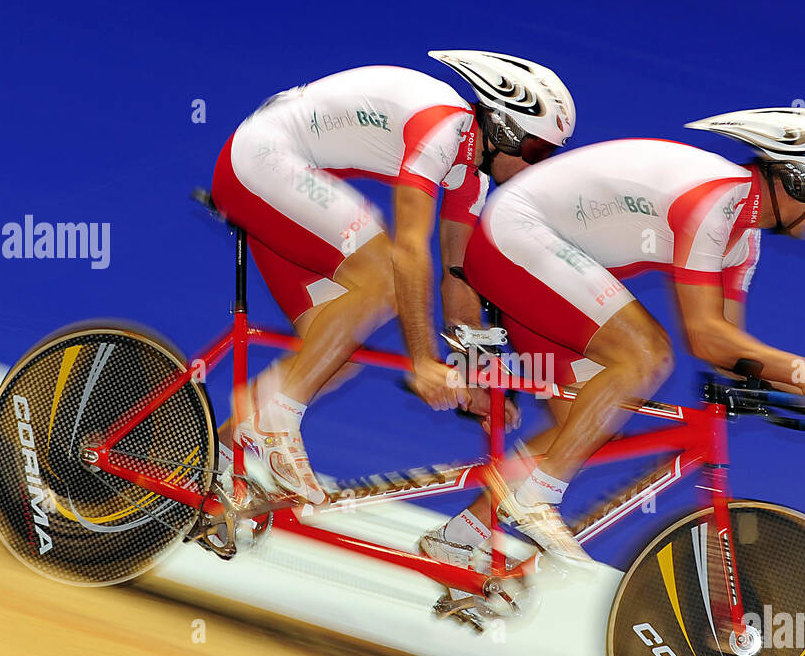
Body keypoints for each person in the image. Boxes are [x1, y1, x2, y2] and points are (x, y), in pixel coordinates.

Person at [420, 107, 805, 569]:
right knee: (647, 353)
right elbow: (704, 337)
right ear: (796, 181)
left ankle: (460, 537)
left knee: (587, 420)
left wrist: (802, 390)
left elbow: (727, 347)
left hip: (540, 260)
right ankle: (536, 499)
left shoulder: (743, 241)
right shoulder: (715, 201)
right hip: (515, 238)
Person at [209, 51, 576, 503]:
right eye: (538, 152)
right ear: (503, 128)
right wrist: (423, 361)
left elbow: (456, 277)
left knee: (337, 355)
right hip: (263, 160)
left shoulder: (471, 178)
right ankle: (272, 420)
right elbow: (408, 251)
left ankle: (218, 462)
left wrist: (475, 373)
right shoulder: (441, 128)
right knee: (383, 276)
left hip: (279, 175)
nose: (540, 168)